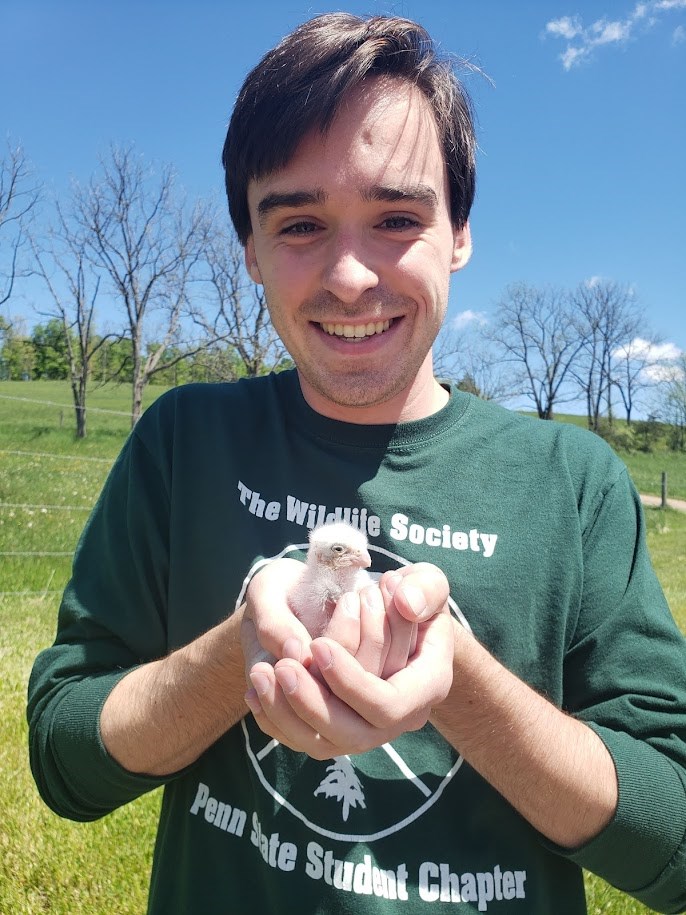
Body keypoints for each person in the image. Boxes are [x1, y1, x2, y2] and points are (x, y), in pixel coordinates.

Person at [28, 12, 686, 914]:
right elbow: (66, 756)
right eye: (299, 222)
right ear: (250, 251)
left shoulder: (573, 483)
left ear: (459, 232)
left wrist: (454, 676)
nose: (348, 275)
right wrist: (240, 654)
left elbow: (672, 837)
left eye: (396, 218)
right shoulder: (185, 442)